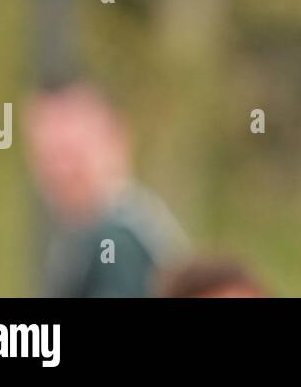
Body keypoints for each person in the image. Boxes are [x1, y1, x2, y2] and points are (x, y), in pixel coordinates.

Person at [25, 80, 189, 297]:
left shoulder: (115, 241)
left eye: (72, 154)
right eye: (49, 158)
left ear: (116, 139)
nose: (60, 172)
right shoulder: (135, 226)